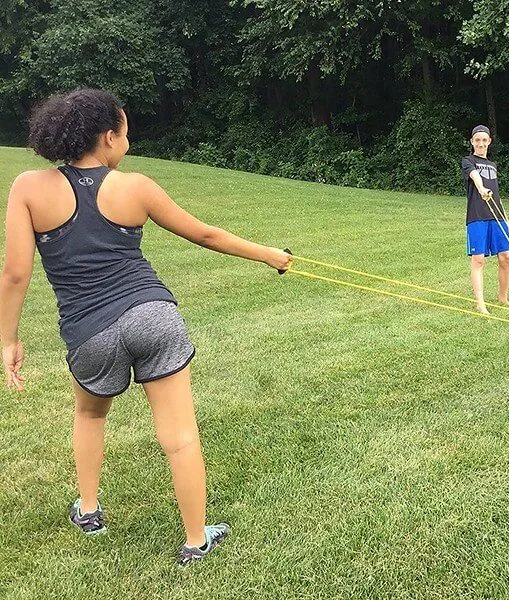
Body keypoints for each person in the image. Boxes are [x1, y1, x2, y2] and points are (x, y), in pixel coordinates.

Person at [0, 88, 292, 564]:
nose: (128, 143)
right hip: (153, 315)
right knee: (179, 434)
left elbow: (14, 274)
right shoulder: (135, 186)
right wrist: (271, 256)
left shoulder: (29, 188)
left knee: (91, 414)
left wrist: (8, 339)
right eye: (126, 134)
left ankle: (89, 511)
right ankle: (196, 540)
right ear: (108, 136)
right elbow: (205, 234)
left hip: (88, 334)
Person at [460, 125, 509, 315]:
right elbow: (475, 177)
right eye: (477, 140)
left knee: (506, 257)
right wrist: (482, 189)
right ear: (472, 142)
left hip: (497, 217)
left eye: (484, 140)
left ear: (489, 141)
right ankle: (480, 303)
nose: (481, 143)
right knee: (479, 260)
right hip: (477, 216)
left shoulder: (492, 165)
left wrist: (507, 220)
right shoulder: (468, 161)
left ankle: (503, 298)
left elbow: (498, 196)